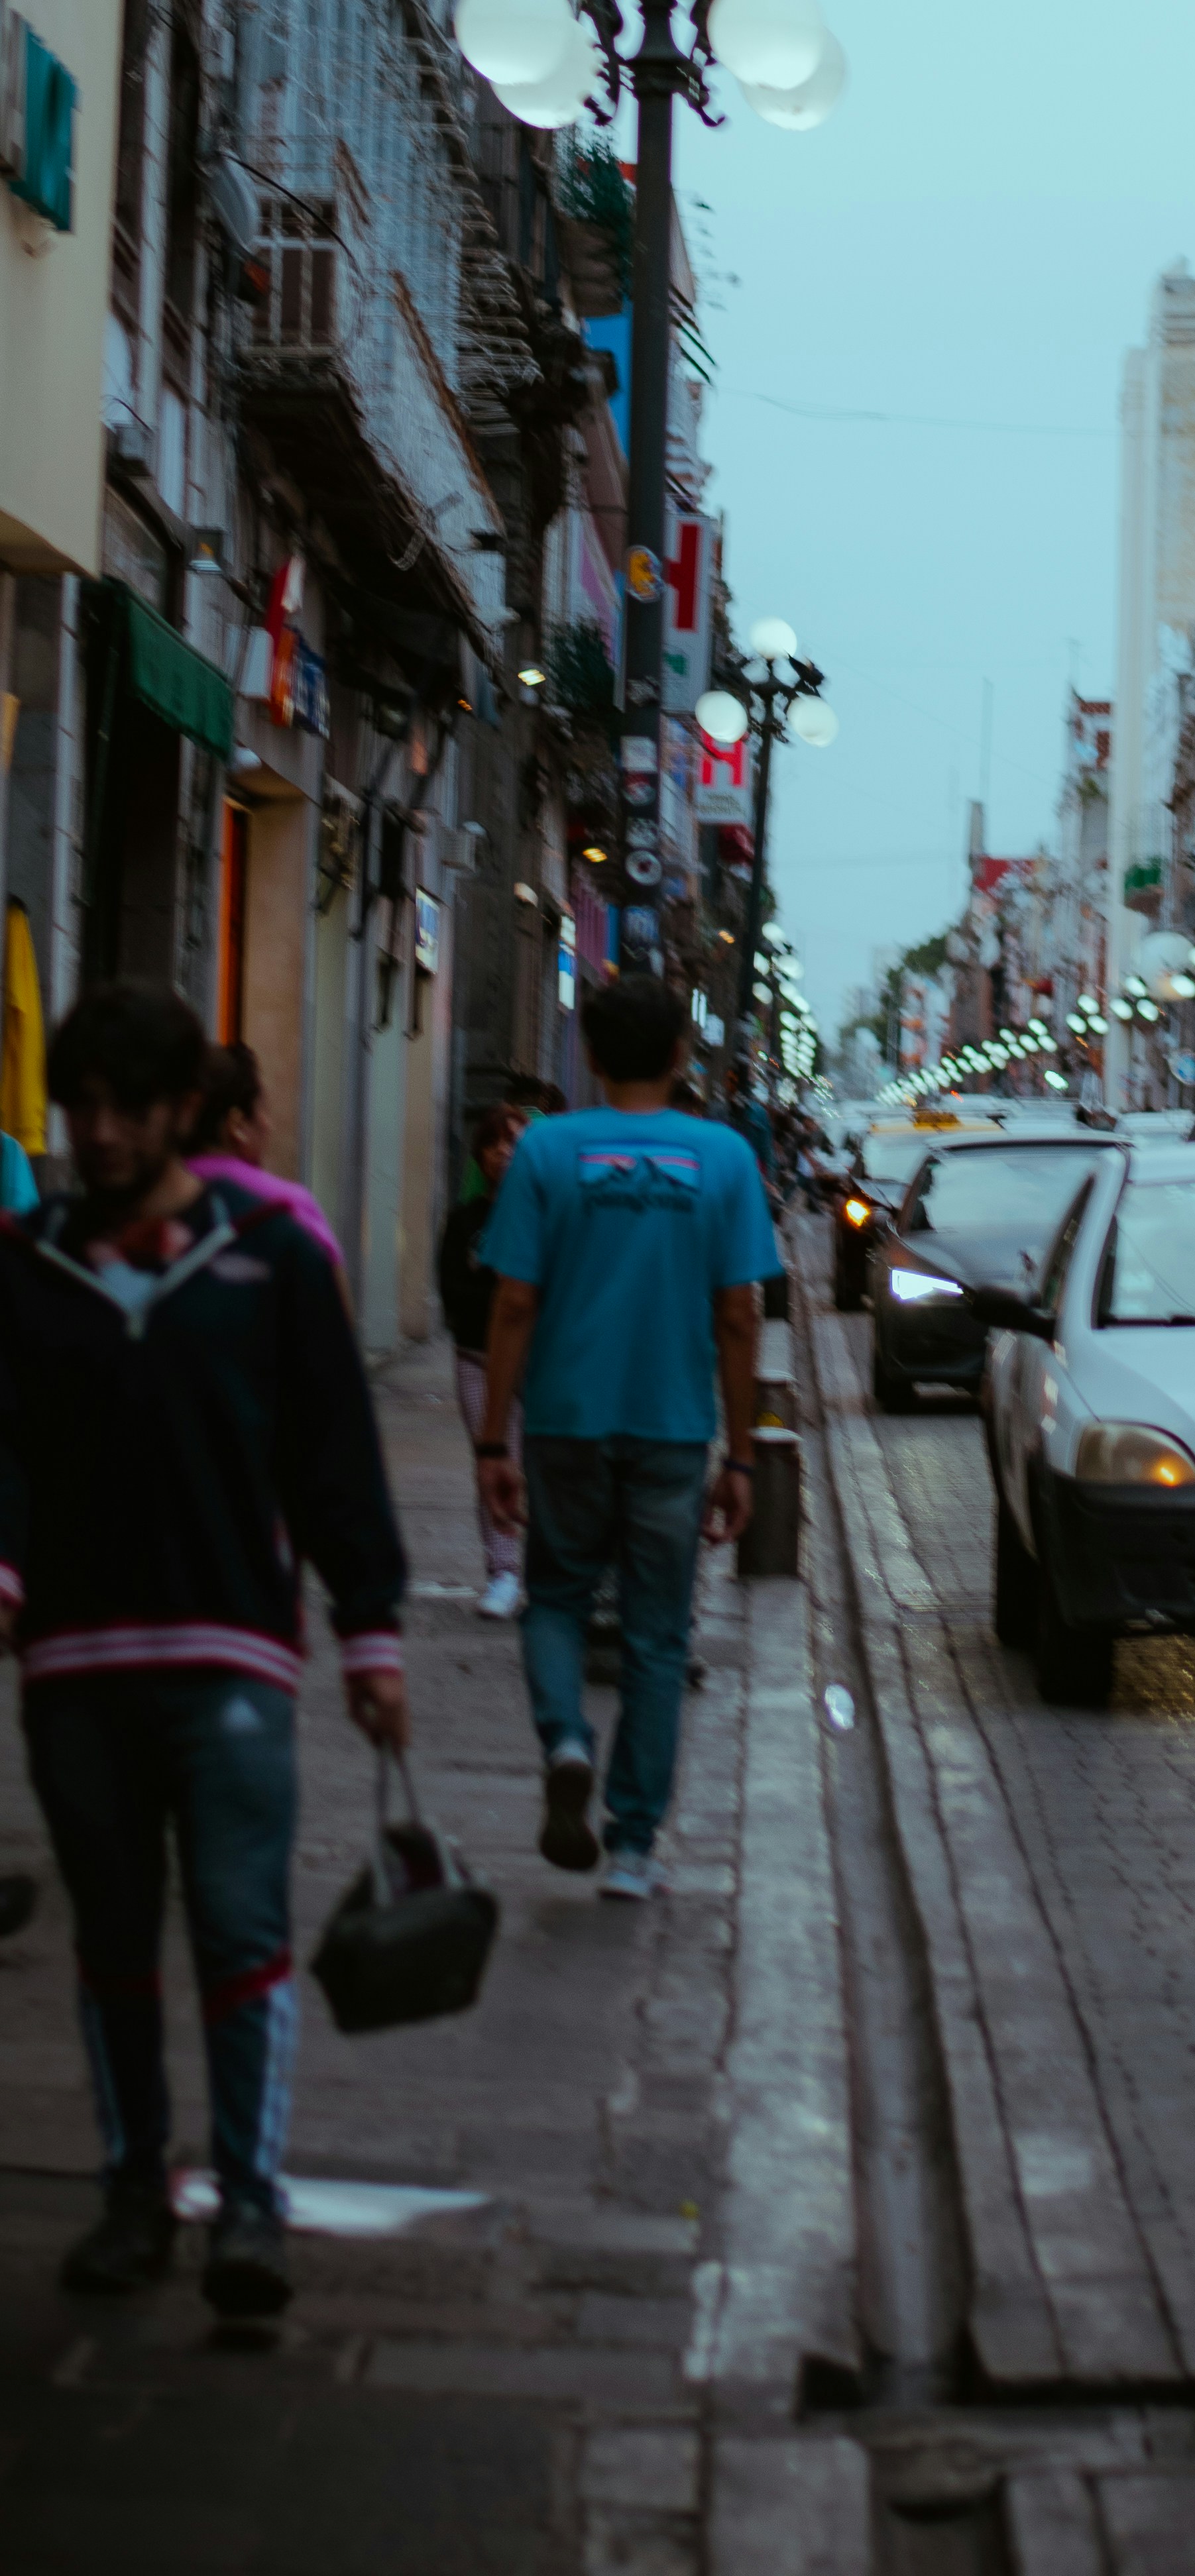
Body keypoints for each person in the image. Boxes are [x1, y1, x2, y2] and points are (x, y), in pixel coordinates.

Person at [0, 982, 408, 2321]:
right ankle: (133, 2192)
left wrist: (372, 1629)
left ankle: (248, 2203)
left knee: (238, 1928)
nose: (100, 1133)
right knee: (114, 1938)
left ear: (185, 1112)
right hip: (75, 1662)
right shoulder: (30, 1260)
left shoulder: (266, 1256)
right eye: (81, 1110)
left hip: (231, 1652)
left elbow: (328, 1452)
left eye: (127, 1109)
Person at [476, 972, 779, 1904]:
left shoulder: (545, 1150)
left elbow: (515, 1300)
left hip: (566, 1420)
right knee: (656, 1633)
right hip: (673, 1429)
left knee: (557, 1600)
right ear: (684, 1056)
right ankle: (635, 1846)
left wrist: (493, 1439)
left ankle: (566, 1736)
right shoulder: (724, 1159)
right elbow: (740, 1315)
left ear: (594, 1057)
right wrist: (741, 1453)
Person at [435, 1106, 532, 1620]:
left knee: (542, 1466)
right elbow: (453, 1290)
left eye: (513, 1143)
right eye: (493, 1144)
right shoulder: (465, 1220)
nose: (503, 1153)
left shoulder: (545, 1219)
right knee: (494, 1460)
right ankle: (503, 1572)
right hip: (477, 1358)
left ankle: (542, 1570)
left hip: (538, 1364)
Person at [189, 1040, 348, 1285]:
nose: (268, 1125)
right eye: (263, 1110)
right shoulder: (287, 1205)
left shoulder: (153, 1196)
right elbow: (334, 1306)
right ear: (237, 1126)